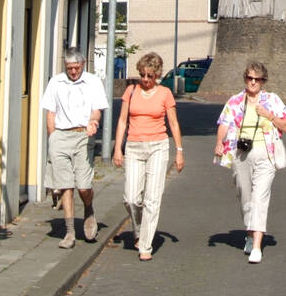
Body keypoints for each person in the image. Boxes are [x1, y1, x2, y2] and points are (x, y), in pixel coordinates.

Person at [215, 60, 286, 263]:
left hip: (265, 153)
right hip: (241, 154)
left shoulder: (272, 100)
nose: (253, 82)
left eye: (257, 79)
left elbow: (285, 126)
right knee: (245, 197)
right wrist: (219, 142)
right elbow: (224, 123)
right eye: (249, 78)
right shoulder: (235, 101)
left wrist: (269, 116)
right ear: (245, 78)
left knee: (259, 198)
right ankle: (250, 233)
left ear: (263, 81)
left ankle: (257, 246)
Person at [113, 51, 184, 260]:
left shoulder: (165, 94)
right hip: (134, 146)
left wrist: (179, 151)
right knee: (131, 198)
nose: (145, 80)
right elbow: (122, 121)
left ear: (157, 75)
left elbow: (173, 123)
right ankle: (139, 228)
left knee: (152, 199)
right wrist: (118, 148)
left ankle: (145, 245)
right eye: (143, 75)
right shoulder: (131, 92)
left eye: (150, 76)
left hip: (157, 147)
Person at [40, 46, 108, 248]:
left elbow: (97, 110)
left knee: (83, 186)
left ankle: (88, 208)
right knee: (65, 185)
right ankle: (70, 232)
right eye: (69, 68)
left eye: (76, 68)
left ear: (83, 64)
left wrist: (93, 122)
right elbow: (50, 113)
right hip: (61, 136)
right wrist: (52, 139)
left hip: (82, 135)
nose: (73, 72)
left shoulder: (93, 82)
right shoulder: (56, 82)